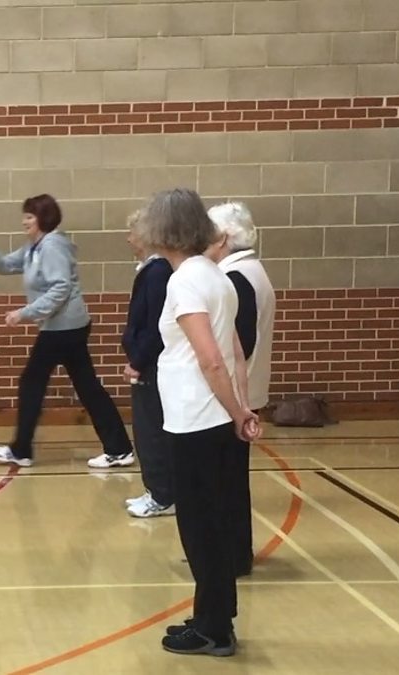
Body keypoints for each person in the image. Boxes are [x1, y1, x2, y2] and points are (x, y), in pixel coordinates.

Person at [135, 187, 260, 657]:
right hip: (217, 418)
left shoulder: (185, 281)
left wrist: (234, 411)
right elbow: (236, 354)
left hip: (197, 420)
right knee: (214, 522)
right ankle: (212, 615)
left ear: (162, 230)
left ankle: (215, 629)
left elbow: (212, 360)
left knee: (200, 526)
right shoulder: (216, 275)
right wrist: (242, 411)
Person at [0, 194, 133, 468]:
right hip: (63, 327)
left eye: (29, 216)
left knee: (32, 382)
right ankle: (119, 448)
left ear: (43, 219)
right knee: (87, 388)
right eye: (24, 216)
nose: (24, 221)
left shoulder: (52, 247)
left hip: (65, 327)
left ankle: (22, 449)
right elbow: (4, 265)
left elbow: (60, 287)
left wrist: (24, 313)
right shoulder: (33, 248)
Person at [206, 201, 275, 577]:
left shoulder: (237, 278)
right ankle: (233, 553)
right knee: (231, 479)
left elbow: (239, 344)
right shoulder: (251, 271)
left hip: (234, 397)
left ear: (225, 238)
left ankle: (231, 557)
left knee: (227, 481)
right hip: (242, 394)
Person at [118, 210, 175, 518]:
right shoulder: (151, 271)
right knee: (146, 430)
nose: (129, 239)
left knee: (151, 431)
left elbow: (156, 326)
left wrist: (138, 361)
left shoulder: (157, 273)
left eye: (133, 233)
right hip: (147, 364)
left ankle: (163, 495)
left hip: (151, 367)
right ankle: (155, 490)